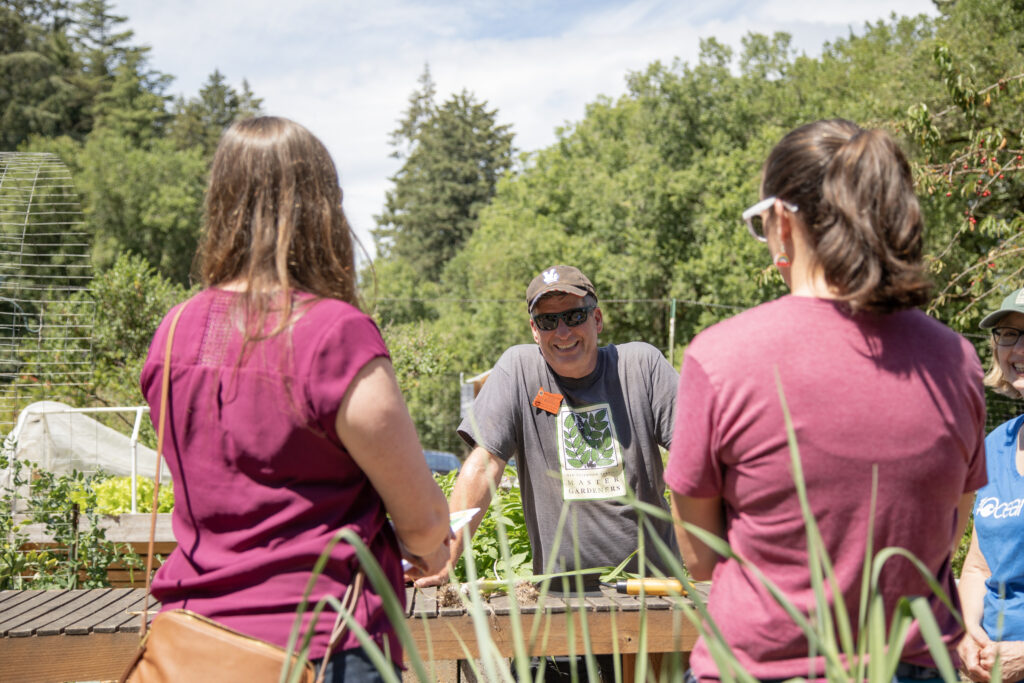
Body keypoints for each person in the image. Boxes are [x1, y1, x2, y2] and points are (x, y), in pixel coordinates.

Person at [665, 119, 987, 683]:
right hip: (915, 666)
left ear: (784, 222)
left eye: (761, 226)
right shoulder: (956, 360)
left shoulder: (721, 357)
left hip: (762, 666)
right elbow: (947, 531)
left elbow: (699, 556)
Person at [139, 116, 451, 681]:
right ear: (322, 210)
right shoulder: (334, 334)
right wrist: (430, 550)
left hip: (194, 643)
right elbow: (426, 521)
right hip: (324, 648)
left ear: (222, 203)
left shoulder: (174, 330)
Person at [958, 287, 1024, 683]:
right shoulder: (995, 444)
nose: (1017, 350)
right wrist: (966, 630)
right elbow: (980, 565)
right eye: (1009, 334)